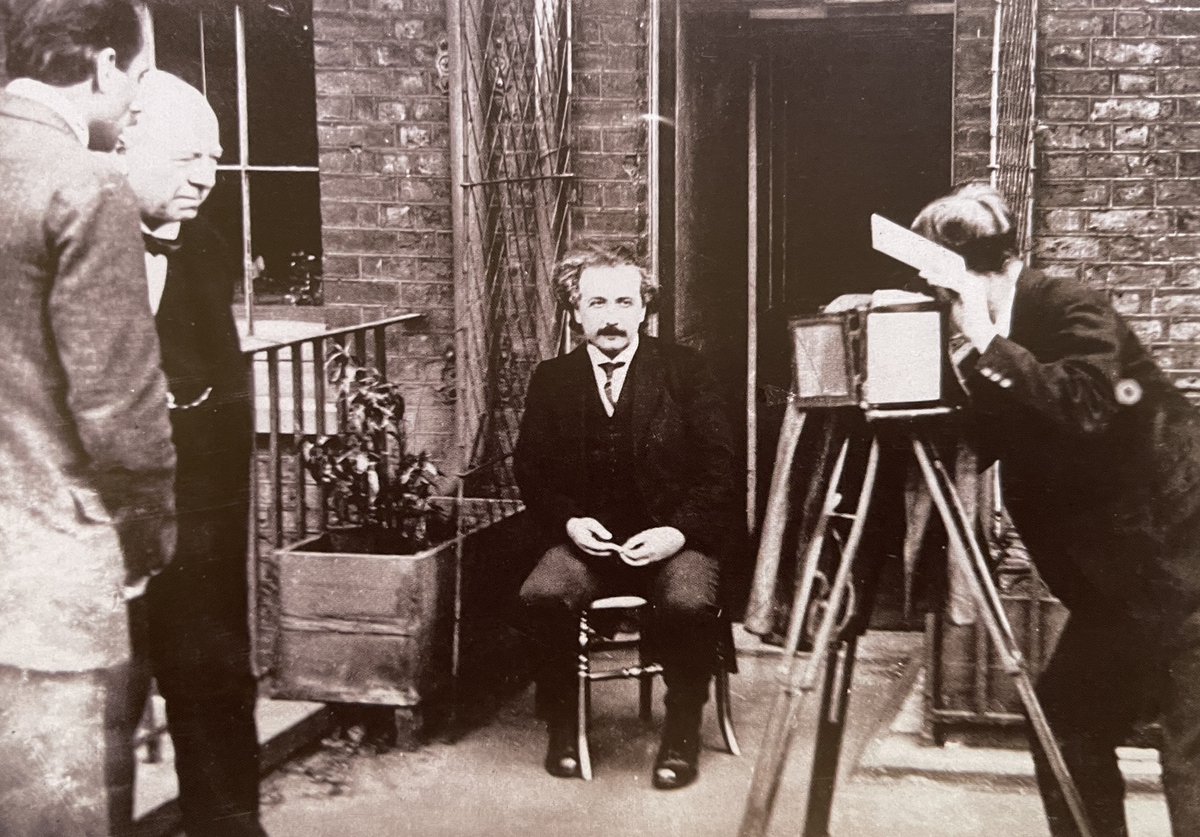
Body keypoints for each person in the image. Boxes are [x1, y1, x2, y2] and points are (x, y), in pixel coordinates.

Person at [910, 183, 1200, 837]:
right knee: (1065, 724)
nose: (943, 312)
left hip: (1184, 565)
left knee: (1192, 760)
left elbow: (1087, 404)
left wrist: (984, 337)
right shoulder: (995, 341)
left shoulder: (1068, 304)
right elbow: (984, 437)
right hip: (1120, 590)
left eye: (945, 295)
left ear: (981, 274)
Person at [0, 1, 175, 834]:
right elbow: (119, 406)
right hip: (44, 578)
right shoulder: (88, 182)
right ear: (104, 67)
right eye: (139, 75)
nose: (136, 95)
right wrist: (144, 540)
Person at [514, 240, 739, 790]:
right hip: (588, 547)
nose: (611, 317)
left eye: (623, 302)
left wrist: (676, 532)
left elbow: (720, 471)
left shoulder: (685, 371)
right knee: (543, 594)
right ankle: (564, 725)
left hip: (675, 542)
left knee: (688, 601)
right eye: (596, 303)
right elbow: (533, 472)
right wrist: (570, 523)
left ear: (643, 309)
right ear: (575, 311)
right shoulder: (553, 379)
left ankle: (681, 731)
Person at [117, 70, 266, 837]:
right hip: (105, 523)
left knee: (216, 682)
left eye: (213, 157)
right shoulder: (65, 238)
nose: (207, 176)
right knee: (105, 704)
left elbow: (223, 377)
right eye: (186, 158)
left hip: (202, 517)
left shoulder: (204, 244)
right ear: (124, 144)